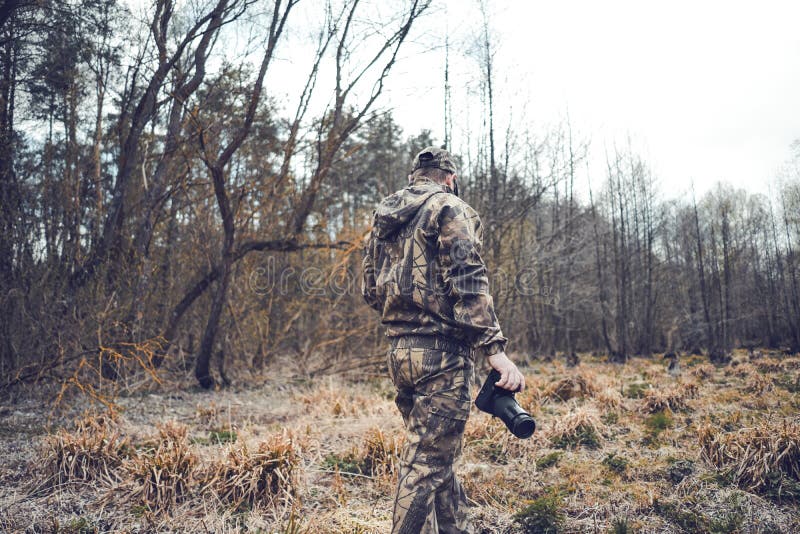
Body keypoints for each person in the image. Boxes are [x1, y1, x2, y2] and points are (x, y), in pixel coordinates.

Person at [362, 146, 525, 533]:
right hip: (441, 357)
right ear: (448, 177)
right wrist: (494, 350)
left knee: (438, 460)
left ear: (414, 177)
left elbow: (371, 290)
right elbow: (468, 279)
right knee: (424, 468)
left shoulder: (385, 218)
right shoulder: (449, 207)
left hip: (399, 354)